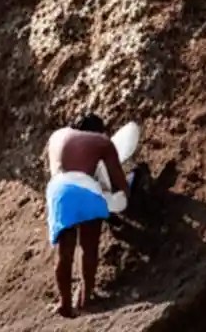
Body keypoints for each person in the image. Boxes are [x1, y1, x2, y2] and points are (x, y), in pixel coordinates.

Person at [45, 113, 129, 318]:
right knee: (88, 247)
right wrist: (125, 196)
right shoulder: (102, 142)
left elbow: (55, 169)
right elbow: (116, 177)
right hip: (85, 188)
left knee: (64, 252)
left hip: (58, 190)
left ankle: (64, 304)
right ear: (99, 130)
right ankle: (86, 297)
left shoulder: (57, 136)